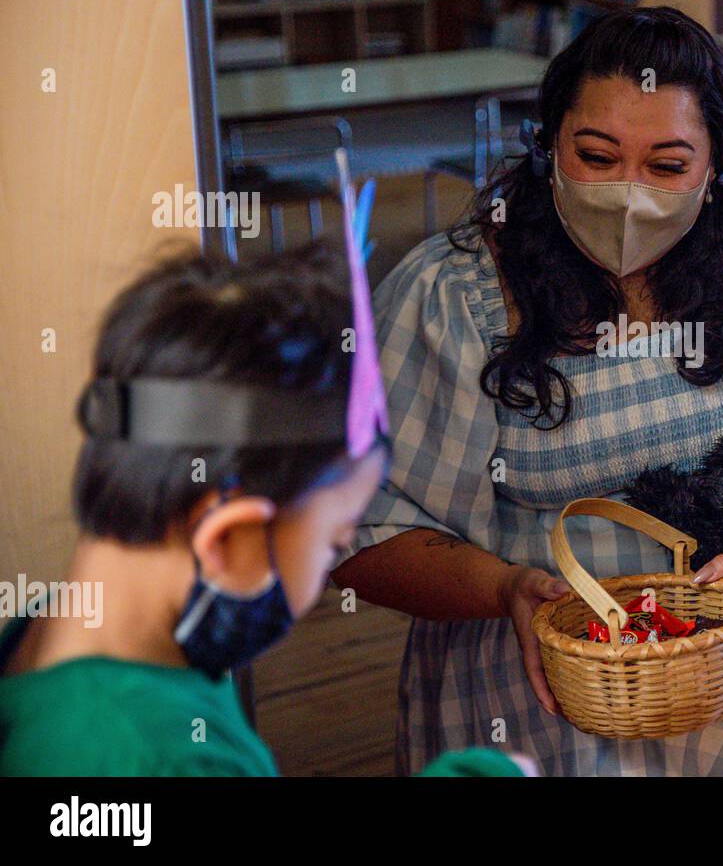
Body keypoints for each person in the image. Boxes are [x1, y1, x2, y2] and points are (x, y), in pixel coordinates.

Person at [333, 6, 723, 775]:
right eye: (596, 156)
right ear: (547, 147)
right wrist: (508, 592)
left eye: (668, 168)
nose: (628, 197)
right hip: (571, 672)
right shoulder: (454, 294)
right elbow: (364, 532)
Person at [0, 239, 523, 777]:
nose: (330, 566)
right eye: (335, 540)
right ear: (226, 539)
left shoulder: (52, 637)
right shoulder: (161, 755)